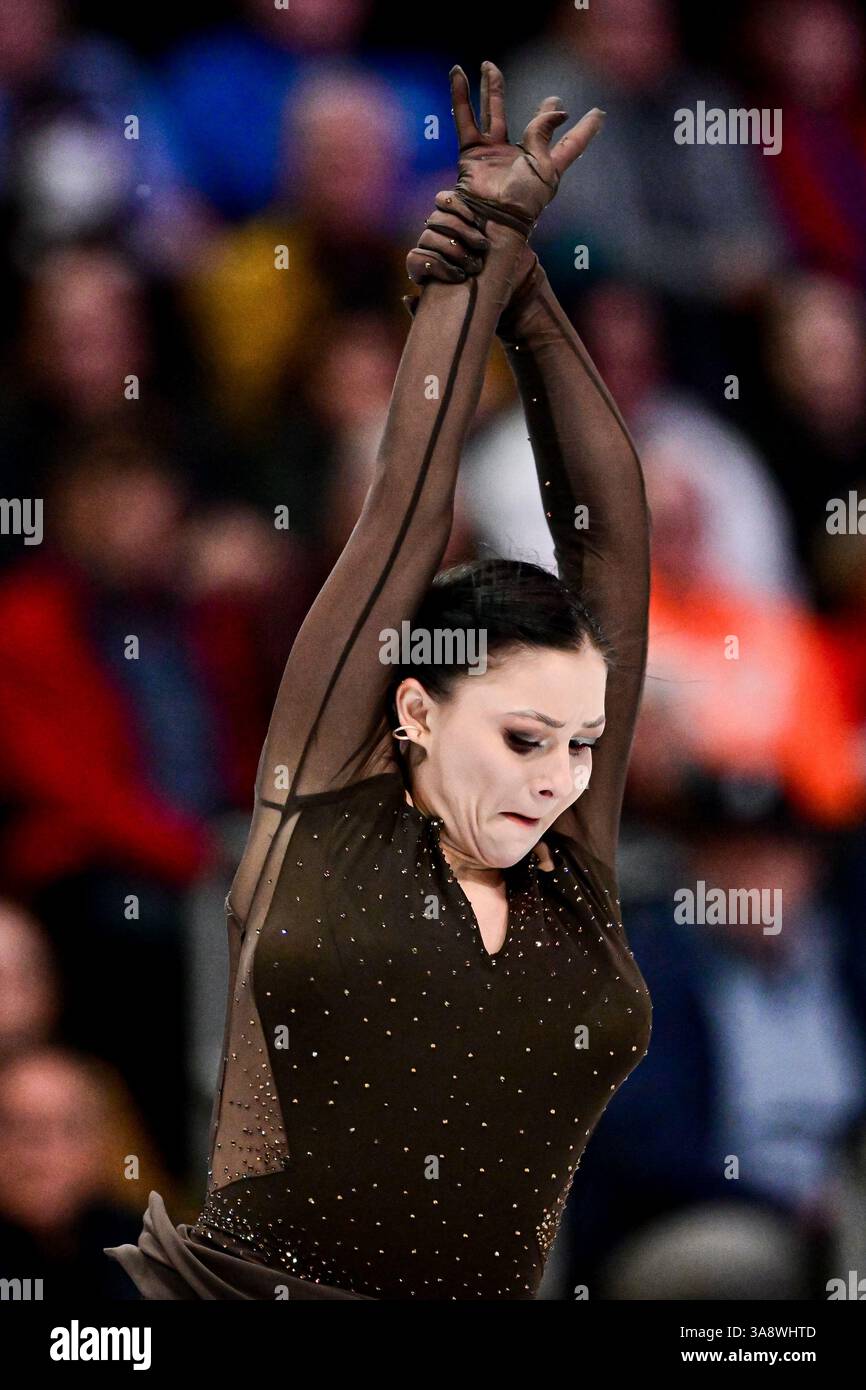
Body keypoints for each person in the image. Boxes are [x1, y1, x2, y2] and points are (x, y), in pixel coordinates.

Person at [105, 61, 653, 1300]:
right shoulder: (316, 812)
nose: (564, 776)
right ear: (414, 710)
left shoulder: (566, 856)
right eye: (522, 737)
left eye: (577, 743)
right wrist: (463, 286)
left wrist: (520, 285)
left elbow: (613, 546)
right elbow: (402, 517)